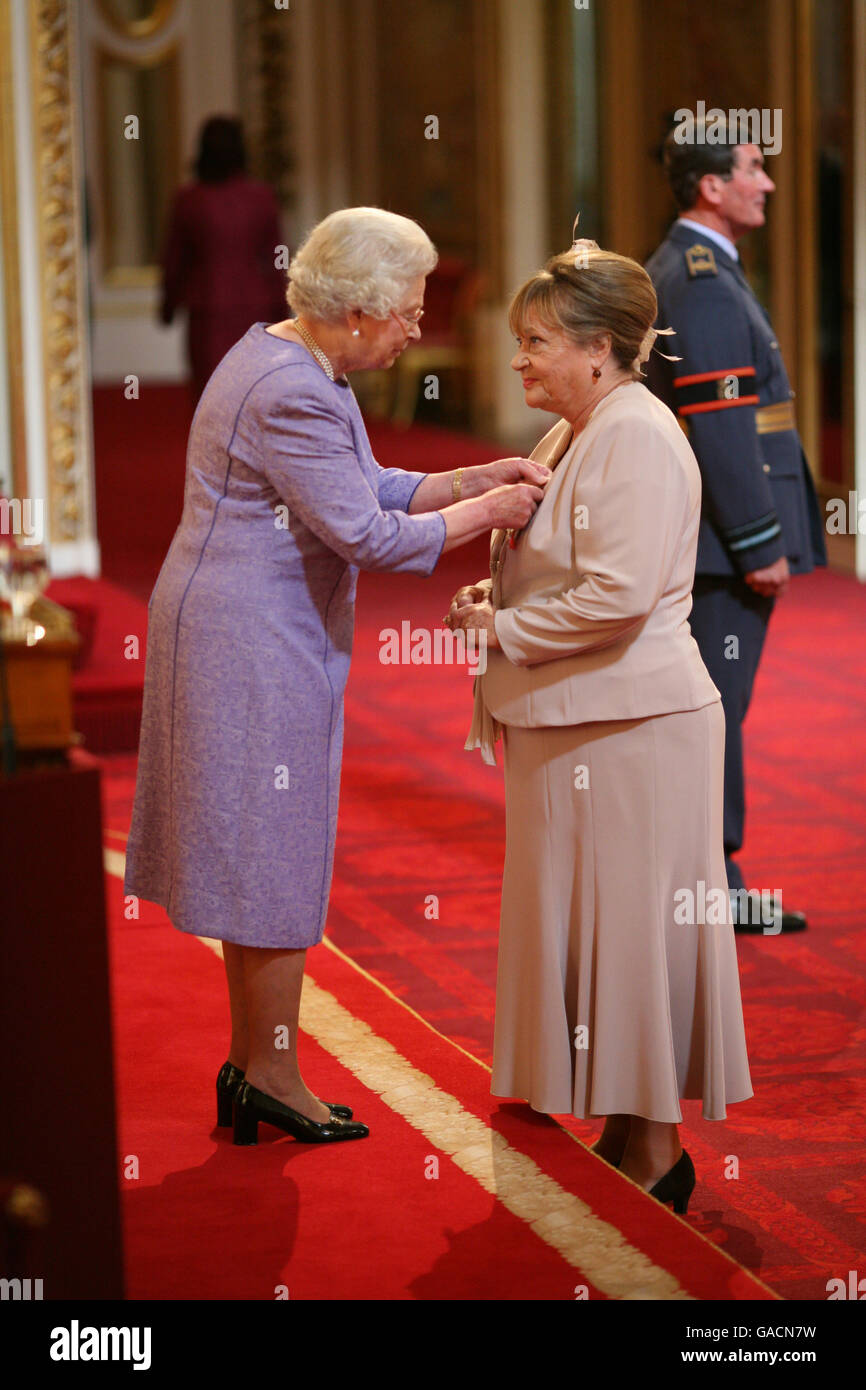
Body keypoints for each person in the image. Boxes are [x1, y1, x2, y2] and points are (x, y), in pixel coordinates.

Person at [124, 207, 548, 1147]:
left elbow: (367, 486)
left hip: (242, 625)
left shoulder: (289, 357)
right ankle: (271, 1072)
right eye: (407, 308)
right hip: (251, 641)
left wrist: (471, 478)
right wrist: (496, 514)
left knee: (257, 852)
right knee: (272, 853)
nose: (415, 324)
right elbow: (365, 534)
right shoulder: (297, 391)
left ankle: (253, 1070)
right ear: (354, 311)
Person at [448, 242, 752, 1210]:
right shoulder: (575, 428)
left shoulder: (634, 431)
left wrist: (499, 626)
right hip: (587, 722)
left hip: (633, 729)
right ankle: (627, 1128)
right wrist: (496, 591)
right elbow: (567, 569)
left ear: (596, 347)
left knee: (630, 934)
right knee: (601, 931)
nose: (518, 361)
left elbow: (617, 596)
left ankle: (657, 1151)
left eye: (534, 342)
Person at [645, 126, 826, 934]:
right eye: (755, 168)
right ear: (711, 187)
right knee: (713, 711)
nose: (769, 184)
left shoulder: (693, 270)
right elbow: (722, 426)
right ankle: (708, 884)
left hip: (712, 541)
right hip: (725, 547)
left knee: (707, 710)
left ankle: (702, 879)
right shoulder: (704, 280)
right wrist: (760, 542)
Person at [159, 116, 288, 400]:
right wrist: (282, 309)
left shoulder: (189, 199)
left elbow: (174, 259)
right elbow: (277, 256)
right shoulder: (261, 197)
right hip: (256, 307)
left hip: (208, 310)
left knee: (212, 394)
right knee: (255, 390)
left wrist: (167, 305)